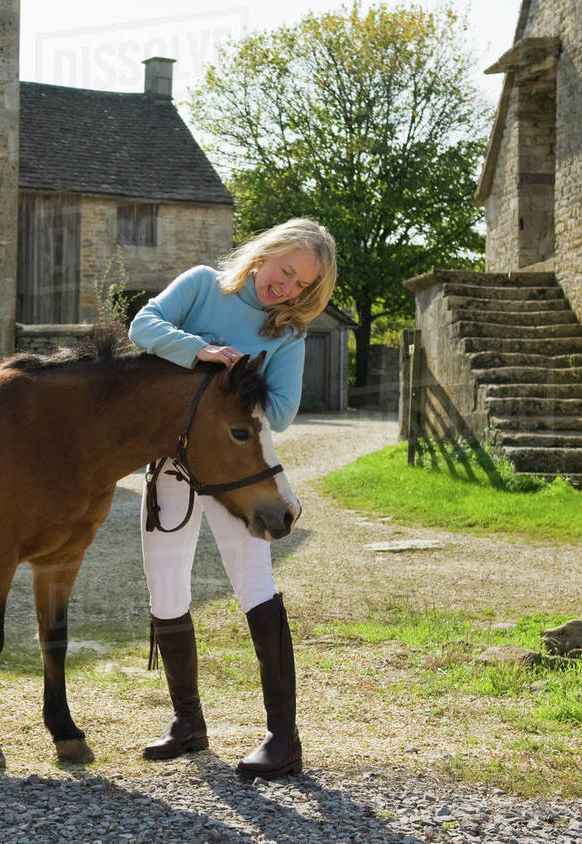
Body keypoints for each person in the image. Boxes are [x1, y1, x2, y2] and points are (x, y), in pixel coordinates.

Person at [127, 217, 338, 780]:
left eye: (300, 286)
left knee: (254, 583)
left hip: (237, 472)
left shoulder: (286, 334)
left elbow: (285, 413)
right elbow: (142, 327)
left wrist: (239, 376)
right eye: (285, 271)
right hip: (172, 461)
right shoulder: (201, 285)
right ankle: (188, 724)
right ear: (264, 254)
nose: (286, 288)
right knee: (165, 581)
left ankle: (282, 737)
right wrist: (201, 351)